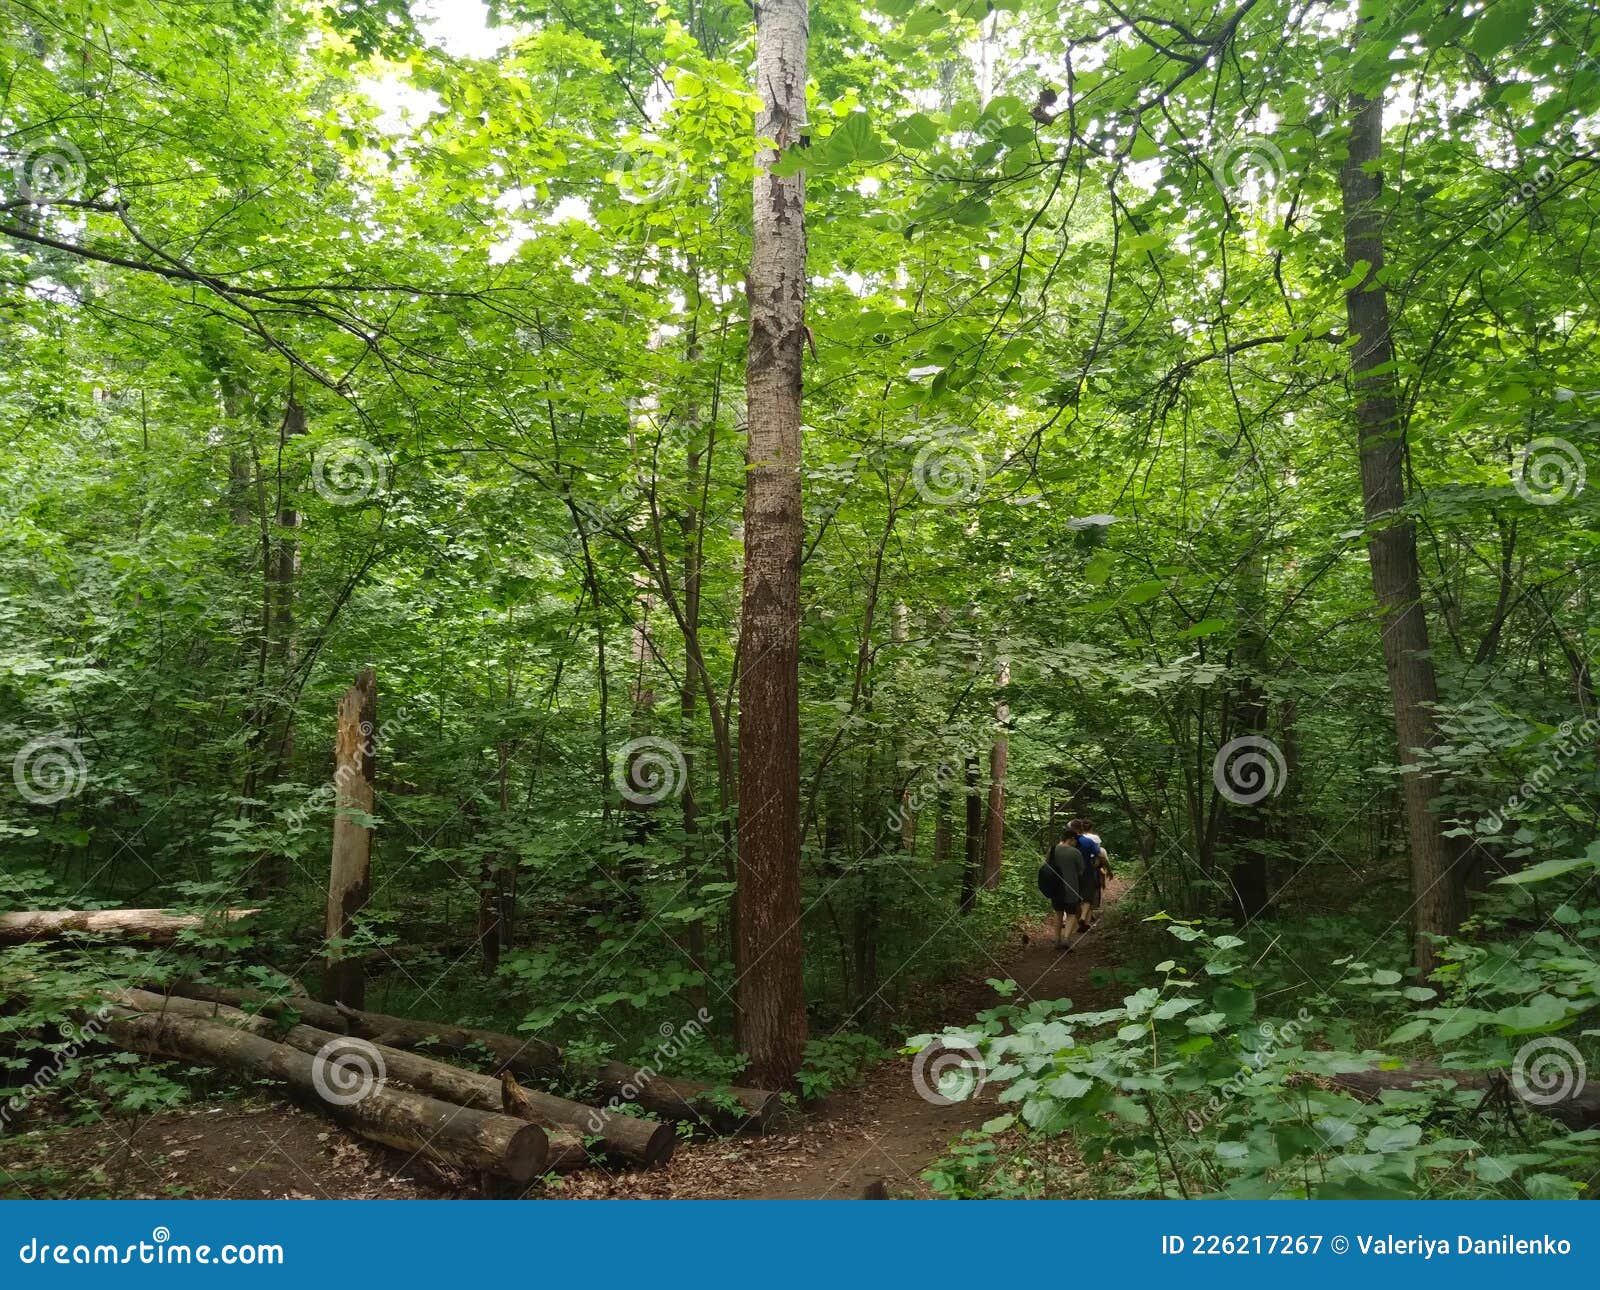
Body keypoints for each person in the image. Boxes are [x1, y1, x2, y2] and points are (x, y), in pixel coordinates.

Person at [1037, 826, 1090, 949]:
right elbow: (1081, 870)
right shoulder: (1075, 853)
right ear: (1071, 839)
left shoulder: (1053, 849)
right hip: (1071, 887)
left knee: (1059, 913)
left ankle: (1056, 939)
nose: (1076, 843)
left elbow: (1046, 865)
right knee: (1071, 913)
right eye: (1076, 841)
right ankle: (1066, 939)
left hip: (1055, 887)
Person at [1071, 817, 1112, 931]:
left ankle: (1080, 921)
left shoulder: (1068, 842)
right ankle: (1084, 917)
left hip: (1073, 872)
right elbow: (1100, 855)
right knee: (1088, 897)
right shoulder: (1089, 841)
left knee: (1076, 897)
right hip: (1088, 871)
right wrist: (1108, 869)